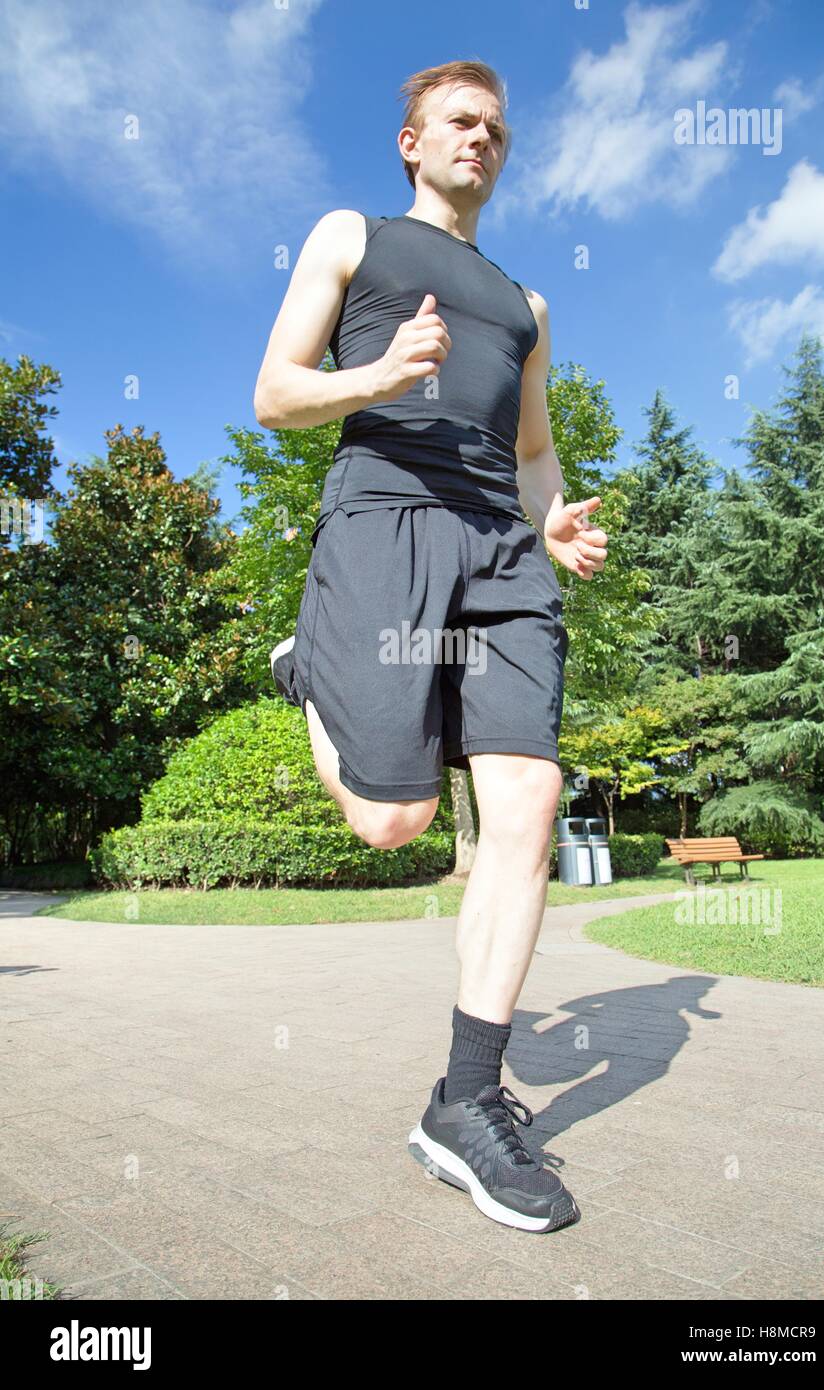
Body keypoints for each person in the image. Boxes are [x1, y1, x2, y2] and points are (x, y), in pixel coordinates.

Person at [253, 58, 608, 1234]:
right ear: (411, 141)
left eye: (498, 128)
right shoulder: (353, 235)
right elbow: (275, 391)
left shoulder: (523, 305)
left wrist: (549, 516)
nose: (484, 139)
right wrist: (379, 373)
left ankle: (464, 1102)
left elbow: (535, 445)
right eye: (462, 122)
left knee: (527, 802)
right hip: (384, 518)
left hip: (499, 549)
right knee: (390, 820)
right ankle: (311, 664)